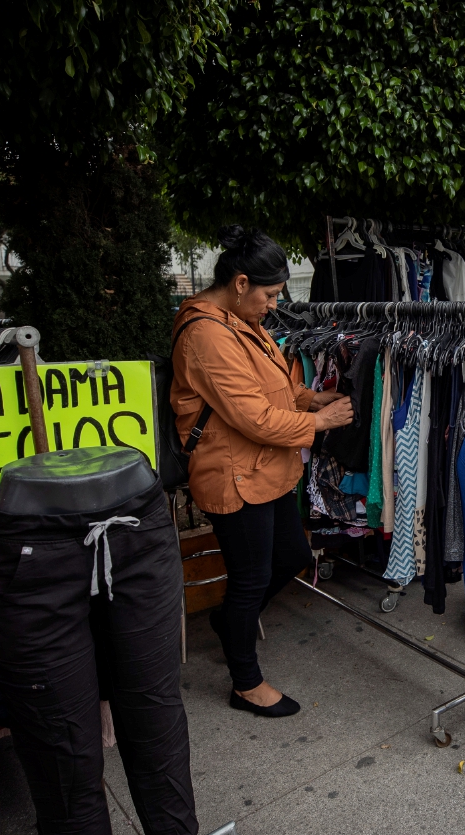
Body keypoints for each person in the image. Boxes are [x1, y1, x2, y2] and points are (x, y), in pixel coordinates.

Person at [171, 227, 353, 717]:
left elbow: (275, 388)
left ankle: (232, 623)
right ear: (240, 283)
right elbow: (252, 416)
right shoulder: (207, 333)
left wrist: (313, 398)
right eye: (270, 294)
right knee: (250, 578)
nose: (274, 305)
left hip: (265, 469)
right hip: (234, 473)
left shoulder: (239, 322)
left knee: (291, 555)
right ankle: (244, 682)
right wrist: (319, 421)